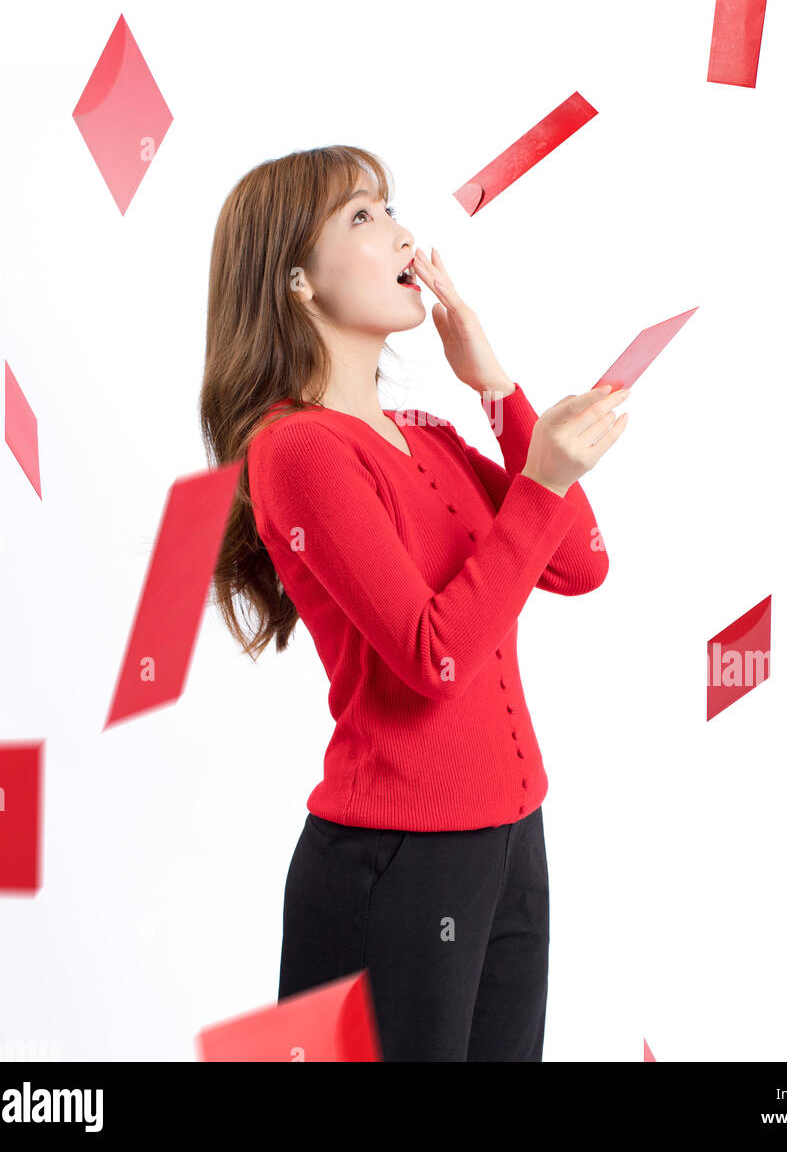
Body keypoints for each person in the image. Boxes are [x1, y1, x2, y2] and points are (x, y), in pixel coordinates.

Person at [200, 145, 629, 1061]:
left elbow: (581, 564)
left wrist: (498, 389)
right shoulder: (301, 450)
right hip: (395, 865)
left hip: (511, 841)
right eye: (361, 215)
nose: (400, 231)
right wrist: (543, 479)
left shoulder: (425, 437)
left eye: (388, 206)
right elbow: (435, 657)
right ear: (298, 283)